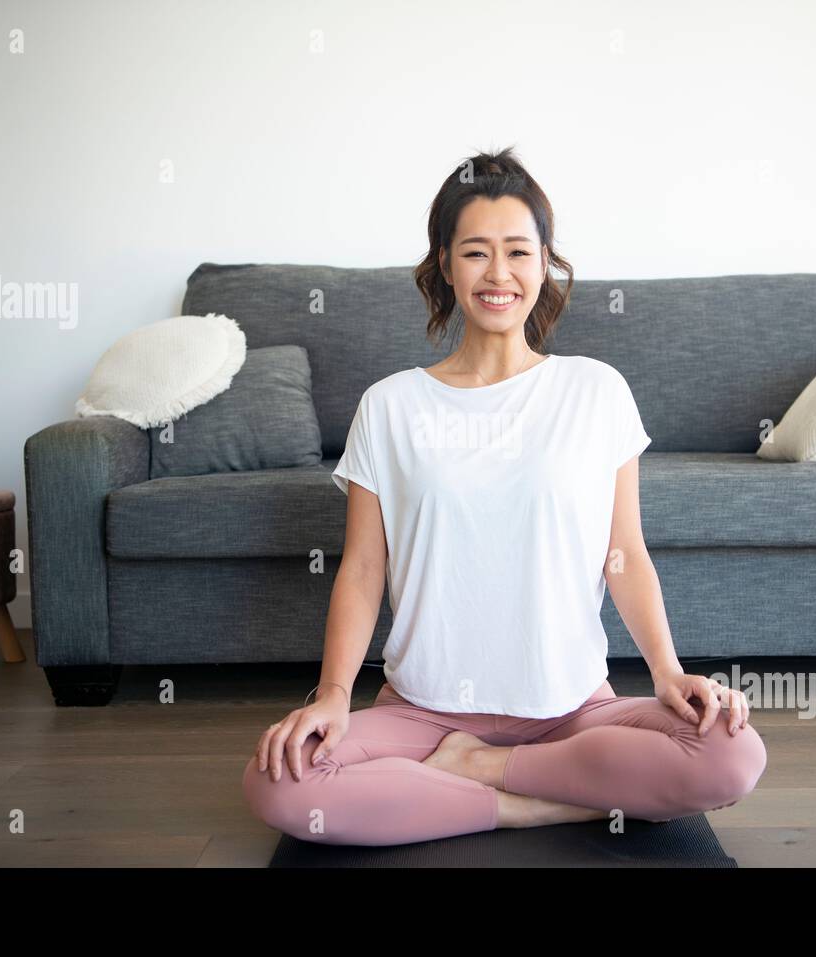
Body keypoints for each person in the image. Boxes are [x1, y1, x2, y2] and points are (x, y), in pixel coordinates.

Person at [242, 146, 767, 847]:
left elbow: (624, 554)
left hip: (572, 710)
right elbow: (364, 569)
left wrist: (669, 673)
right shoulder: (390, 405)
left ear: (545, 261)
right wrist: (334, 695)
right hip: (422, 711)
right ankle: (539, 800)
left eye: (518, 251)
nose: (499, 274)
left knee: (732, 753)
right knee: (279, 781)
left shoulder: (595, 390)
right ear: (444, 265)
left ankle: (483, 769)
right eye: (476, 252)